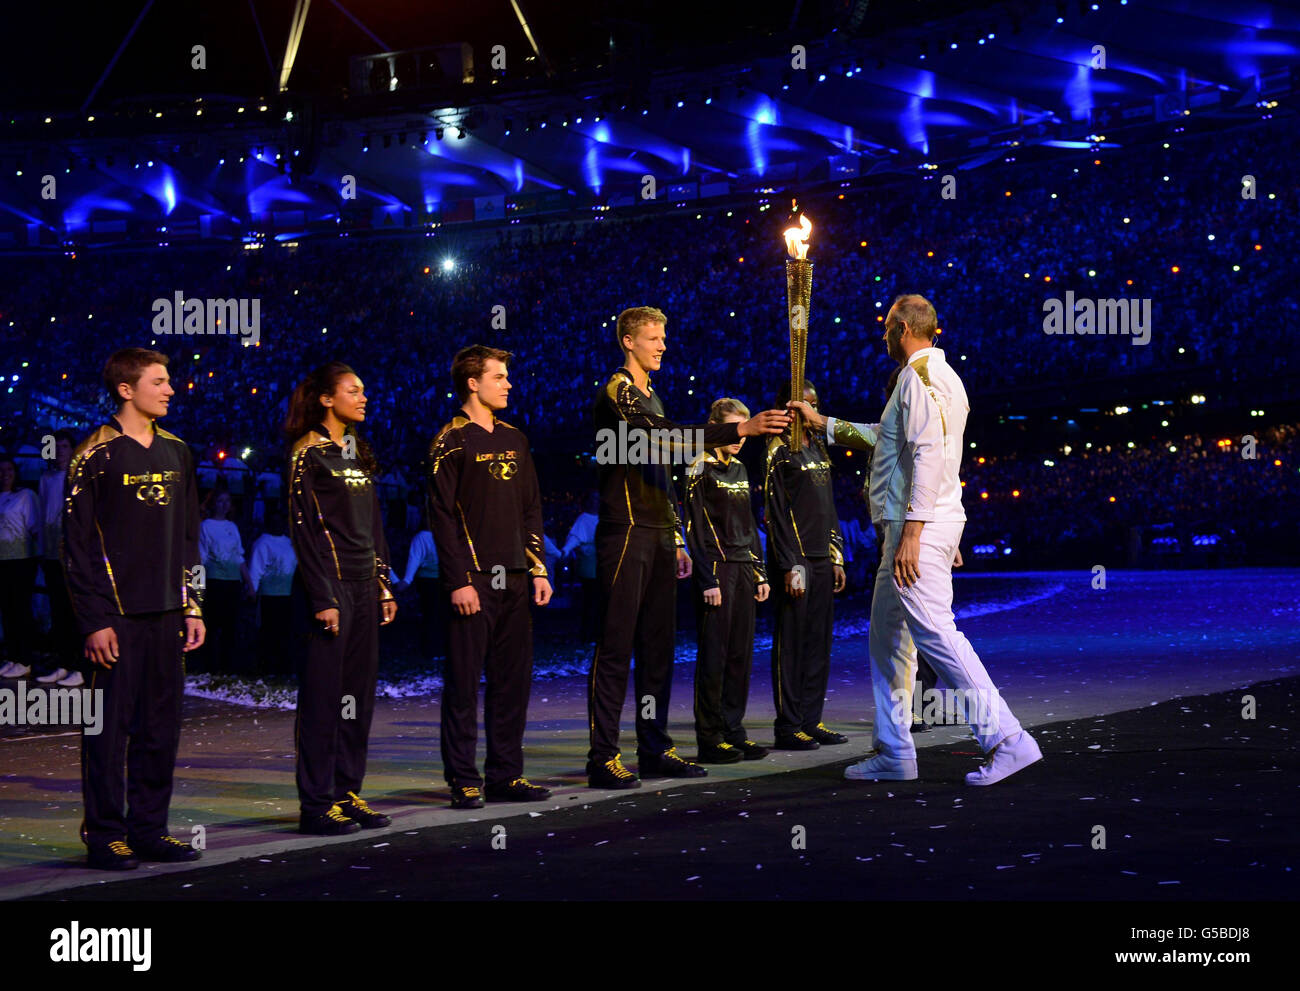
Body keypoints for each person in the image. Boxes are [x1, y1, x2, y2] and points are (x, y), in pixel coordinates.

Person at [790, 294, 1042, 784]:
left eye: (887, 326)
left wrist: (916, 533)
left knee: (937, 634)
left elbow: (927, 456)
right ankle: (895, 752)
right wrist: (825, 425)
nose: (883, 334)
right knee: (888, 643)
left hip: (914, 531)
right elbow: (890, 438)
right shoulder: (944, 379)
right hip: (921, 526)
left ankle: (1008, 740)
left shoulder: (917, 378)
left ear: (903, 328)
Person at [586, 306, 789, 788]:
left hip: (657, 534)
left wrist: (675, 535)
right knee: (616, 649)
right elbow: (663, 440)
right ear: (628, 342)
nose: (661, 345)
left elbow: (663, 466)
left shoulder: (653, 396)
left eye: (662, 337)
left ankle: (654, 747)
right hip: (625, 534)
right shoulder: (619, 391)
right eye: (652, 338)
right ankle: (602, 757)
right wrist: (738, 428)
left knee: (658, 650)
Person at [62, 348, 206, 870]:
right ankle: (104, 834)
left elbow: (191, 537)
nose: (170, 390)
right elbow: (76, 547)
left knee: (160, 727)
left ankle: (149, 828)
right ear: (127, 389)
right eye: (160, 381)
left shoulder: (178, 452)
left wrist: (194, 604)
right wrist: (95, 619)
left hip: (169, 614)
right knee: (108, 730)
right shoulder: (94, 455)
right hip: (116, 619)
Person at [426, 345, 553, 809]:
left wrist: (537, 567)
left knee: (512, 682)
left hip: (515, 578)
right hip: (474, 582)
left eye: (507, 376)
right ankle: (463, 778)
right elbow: (440, 516)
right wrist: (458, 579)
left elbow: (532, 509)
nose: (508, 384)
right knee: (463, 683)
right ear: (473, 383)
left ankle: (506, 775)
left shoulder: (516, 439)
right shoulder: (450, 440)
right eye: (499, 377)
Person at [285, 361, 397, 834]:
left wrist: (382, 582)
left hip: (363, 591)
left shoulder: (356, 451)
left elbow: (372, 526)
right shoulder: (306, 454)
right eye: (354, 390)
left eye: (364, 389)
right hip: (327, 593)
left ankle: (347, 793)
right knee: (324, 701)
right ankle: (316, 806)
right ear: (327, 399)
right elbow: (304, 532)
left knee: (358, 698)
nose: (364, 397)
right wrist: (322, 596)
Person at [684, 398, 770, 763]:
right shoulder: (697, 467)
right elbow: (694, 527)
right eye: (733, 428)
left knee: (740, 655)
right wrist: (706, 578)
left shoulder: (739, 469)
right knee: (714, 657)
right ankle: (710, 737)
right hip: (716, 571)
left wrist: (759, 570)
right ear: (716, 426)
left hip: (742, 569)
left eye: (744, 430)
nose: (739, 438)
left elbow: (749, 525)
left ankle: (734, 731)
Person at [764, 380, 848, 750]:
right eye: (802, 405)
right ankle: (789, 725)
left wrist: (835, 555)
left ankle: (812, 719)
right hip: (795, 561)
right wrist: (789, 563)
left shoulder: (819, 449)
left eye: (814, 403)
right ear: (785, 408)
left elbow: (829, 508)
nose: (809, 411)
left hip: (820, 559)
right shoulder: (778, 450)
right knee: (793, 643)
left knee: (818, 642)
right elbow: (776, 514)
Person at [34, 430, 86, 686]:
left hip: (73, 555)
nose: (60, 451)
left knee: (73, 609)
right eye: (57, 447)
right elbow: (43, 513)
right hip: (52, 553)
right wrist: (44, 550)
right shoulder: (46, 478)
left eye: (65, 446)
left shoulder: (78, 475)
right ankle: (64, 662)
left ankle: (79, 665)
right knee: (58, 610)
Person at [197, 487, 249, 673]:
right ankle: (209, 666)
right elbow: (200, 557)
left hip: (233, 581)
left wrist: (249, 583)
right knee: (212, 624)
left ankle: (228, 667)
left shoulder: (232, 526)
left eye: (228, 501)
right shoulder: (206, 525)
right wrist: (197, 587)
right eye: (221, 500)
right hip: (214, 580)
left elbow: (239, 556)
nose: (224, 504)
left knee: (230, 626)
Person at [0, 452, 40, 680]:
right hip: (2, 560)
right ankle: (13, 656)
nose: (5, 475)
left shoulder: (26, 496)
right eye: (1, 471)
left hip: (22, 559)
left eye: (9, 470)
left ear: (16, 473)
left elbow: (35, 528)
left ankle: (25, 659)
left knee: (21, 610)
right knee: (7, 611)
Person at [245, 505, 297, 676]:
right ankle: (267, 668)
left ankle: (284, 668)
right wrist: (252, 590)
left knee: (285, 633)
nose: (279, 524)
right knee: (269, 633)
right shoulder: (262, 543)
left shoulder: (289, 543)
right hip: (269, 595)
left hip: (288, 594)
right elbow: (256, 568)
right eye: (275, 521)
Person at [397, 516, 445, 659]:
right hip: (432, 580)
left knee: (432, 615)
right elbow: (415, 558)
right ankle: (432, 650)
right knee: (434, 616)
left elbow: (414, 558)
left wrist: (407, 580)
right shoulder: (426, 536)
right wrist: (407, 579)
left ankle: (433, 650)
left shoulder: (425, 537)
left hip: (432, 580)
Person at [561, 492, 600, 642]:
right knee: (590, 600)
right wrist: (565, 551)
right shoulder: (583, 519)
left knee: (597, 601)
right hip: (590, 566)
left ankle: (595, 631)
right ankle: (588, 633)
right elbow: (575, 538)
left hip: (601, 564)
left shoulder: (604, 518)